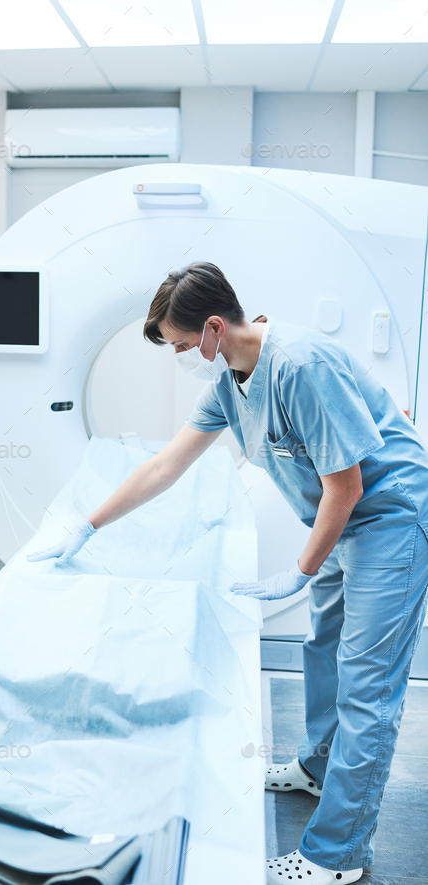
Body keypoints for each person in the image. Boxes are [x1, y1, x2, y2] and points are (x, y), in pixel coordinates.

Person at [28, 262, 428, 885]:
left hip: (390, 517)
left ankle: (338, 855)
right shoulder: (229, 383)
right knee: (322, 649)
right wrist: (87, 524)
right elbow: (164, 467)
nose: (183, 356)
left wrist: (301, 571)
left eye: (185, 345)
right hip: (343, 518)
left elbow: (345, 484)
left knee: (366, 687)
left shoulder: (301, 366)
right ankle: (317, 766)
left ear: (214, 327)